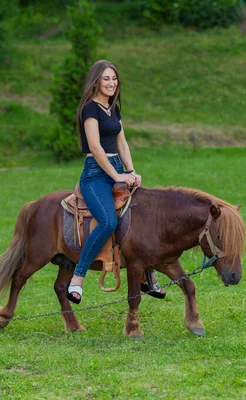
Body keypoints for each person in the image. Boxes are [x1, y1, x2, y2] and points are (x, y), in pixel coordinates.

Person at [67, 60, 165, 304]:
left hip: (117, 170)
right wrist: (117, 175)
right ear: (96, 82)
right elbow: (95, 147)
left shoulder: (113, 108)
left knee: (142, 216)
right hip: (95, 175)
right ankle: (77, 278)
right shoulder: (90, 109)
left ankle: (147, 276)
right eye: (106, 79)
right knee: (109, 221)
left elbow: (121, 143)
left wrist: (130, 171)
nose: (111, 83)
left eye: (114, 78)